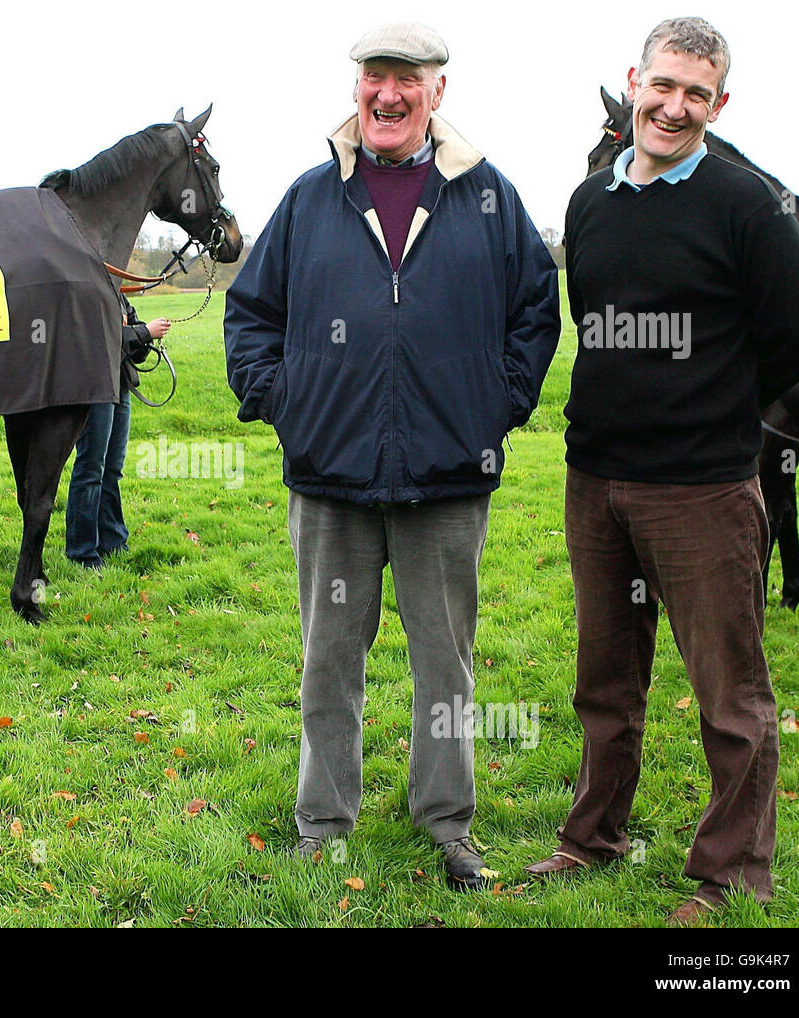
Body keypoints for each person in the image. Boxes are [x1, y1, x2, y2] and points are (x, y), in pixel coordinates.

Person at [224, 21, 559, 887]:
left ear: (437, 92)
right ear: (356, 89)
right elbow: (251, 314)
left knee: (444, 663)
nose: (388, 94)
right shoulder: (308, 198)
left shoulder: (489, 196)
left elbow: (535, 308)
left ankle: (447, 824)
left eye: (407, 79)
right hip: (331, 478)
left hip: (447, 478)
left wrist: (495, 405)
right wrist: (284, 405)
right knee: (329, 659)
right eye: (375, 77)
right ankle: (322, 822)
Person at [526, 17, 799, 924]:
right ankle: (592, 837)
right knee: (605, 682)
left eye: (698, 93)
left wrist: (711, 414)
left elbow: (793, 345)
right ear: (634, 82)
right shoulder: (590, 203)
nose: (675, 106)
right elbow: (594, 323)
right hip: (596, 481)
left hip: (703, 491)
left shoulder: (745, 207)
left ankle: (731, 877)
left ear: (718, 104)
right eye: (664, 86)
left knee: (731, 696)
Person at [65, 293, 170, 569]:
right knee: (91, 468)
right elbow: (99, 335)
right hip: (94, 388)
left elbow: (132, 344)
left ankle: (112, 541)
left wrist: (144, 337)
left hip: (120, 386)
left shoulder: (119, 295)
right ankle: (81, 551)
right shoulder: (88, 292)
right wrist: (144, 331)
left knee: (112, 469)